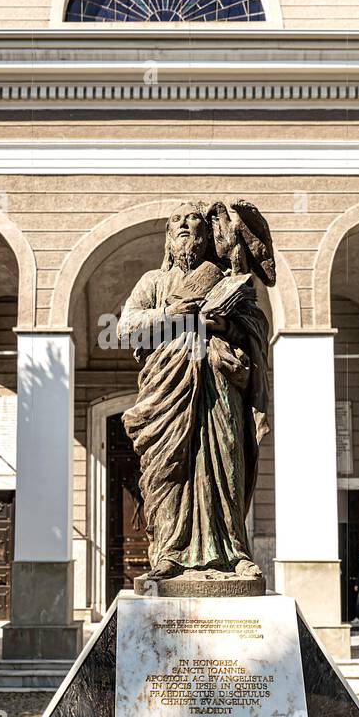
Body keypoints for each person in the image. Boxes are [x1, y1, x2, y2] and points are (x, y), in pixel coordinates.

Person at [116, 202, 271, 583]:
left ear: (207, 236)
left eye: (194, 221)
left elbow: (256, 328)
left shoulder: (226, 280)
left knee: (226, 465)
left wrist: (228, 328)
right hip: (167, 391)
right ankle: (169, 553)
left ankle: (233, 552)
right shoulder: (154, 283)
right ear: (169, 240)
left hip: (220, 386)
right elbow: (126, 328)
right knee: (168, 470)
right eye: (177, 222)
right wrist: (176, 316)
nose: (185, 225)